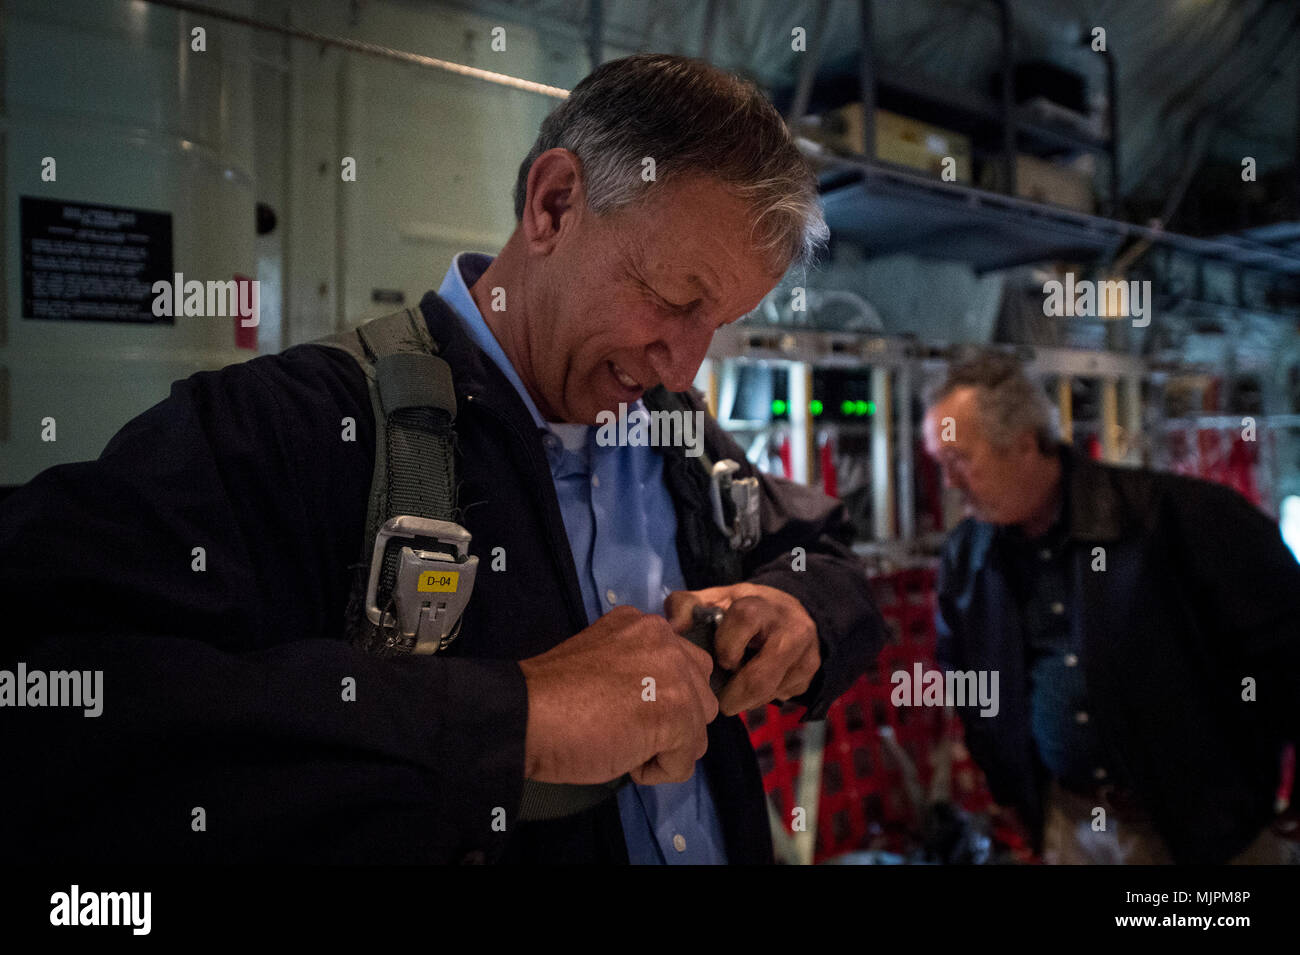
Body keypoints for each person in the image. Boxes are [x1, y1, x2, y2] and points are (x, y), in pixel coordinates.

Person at [0, 54, 883, 864]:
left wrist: (799, 608)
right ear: (554, 205)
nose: (684, 365)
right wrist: (514, 716)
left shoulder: (674, 431)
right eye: (668, 298)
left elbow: (831, 555)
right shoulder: (298, 428)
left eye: (715, 323)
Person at [923, 350, 1300, 864]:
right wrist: (1010, 788)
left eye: (960, 461)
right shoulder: (969, 555)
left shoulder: (1179, 519)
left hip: (1202, 831)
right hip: (1069, 822)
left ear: (1026, 442)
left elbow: (1287, 648)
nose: (949, 484)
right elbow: (966, 678)